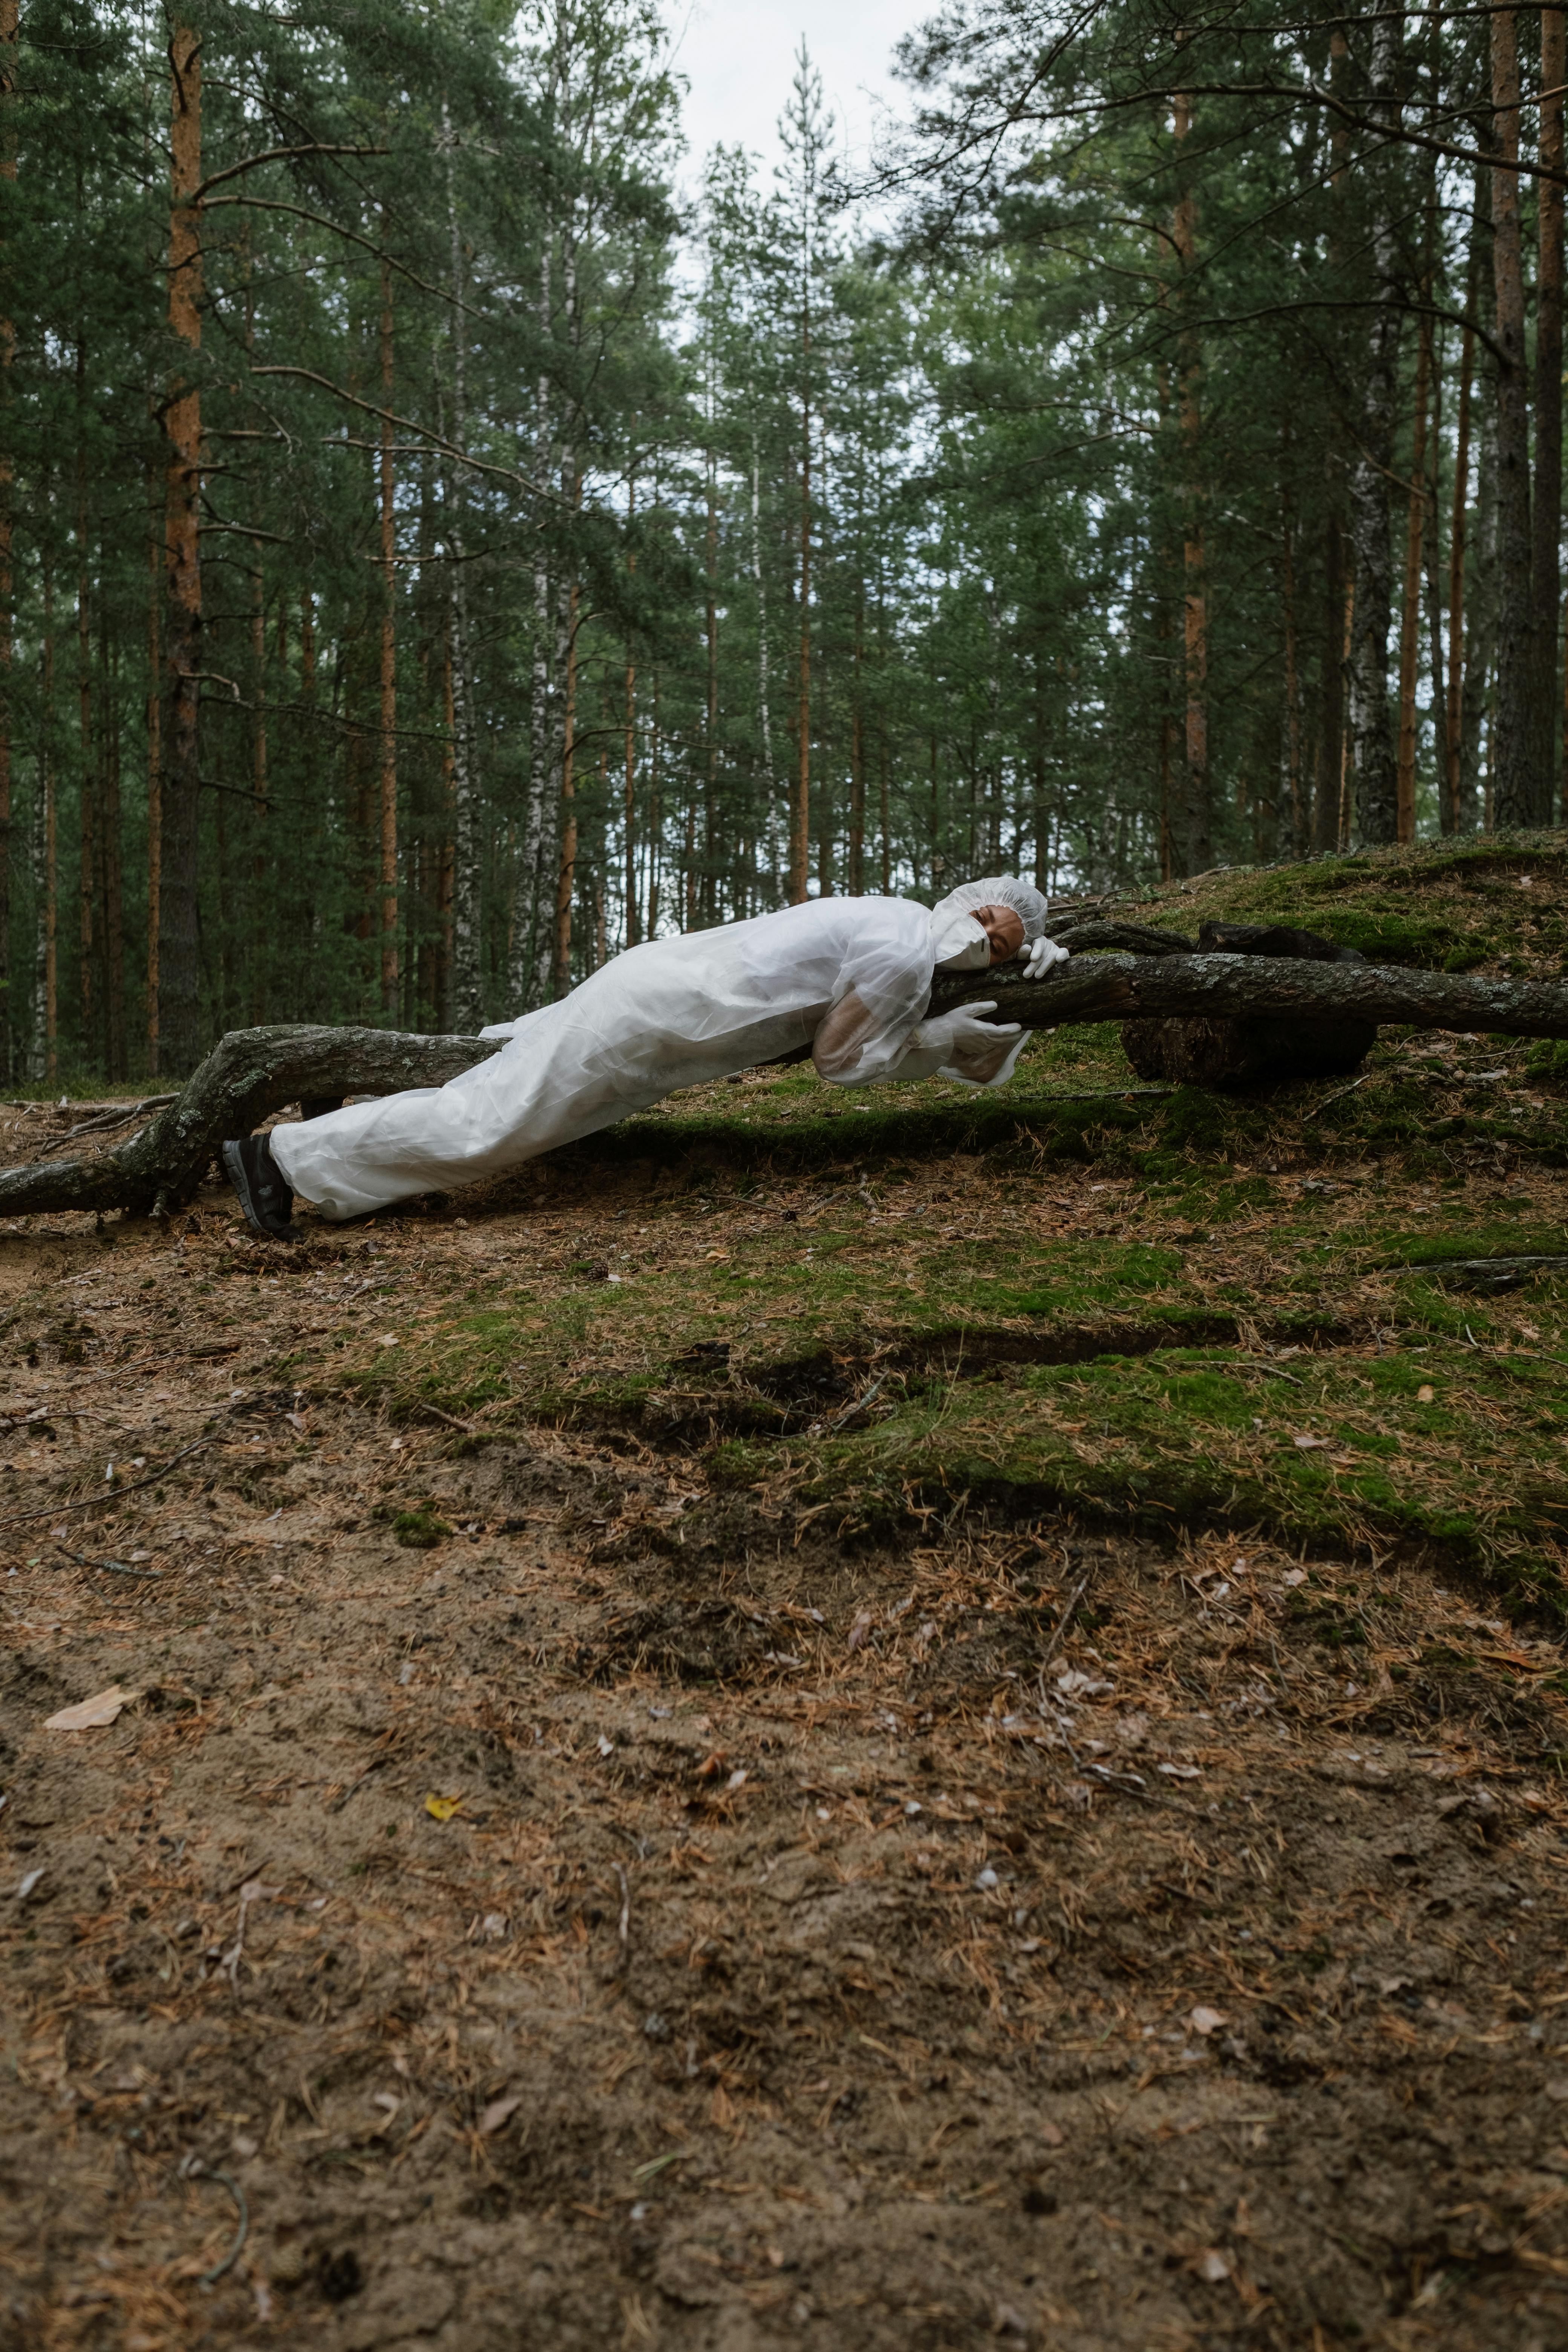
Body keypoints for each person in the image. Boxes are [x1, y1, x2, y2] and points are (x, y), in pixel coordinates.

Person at [222, 876, 1067, 1241]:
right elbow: (842, 1063)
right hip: (651, 1022)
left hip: (660, 1007)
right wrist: (946, 1047)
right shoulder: (902, 955)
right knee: (493, 1129)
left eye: (1002, 949)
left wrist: (1022, 966)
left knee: (494, 1076)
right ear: (969, 896)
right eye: (991, 918)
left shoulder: (897, 918)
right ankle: (281, 1161)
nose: (986, 940)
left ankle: (330, 1123)